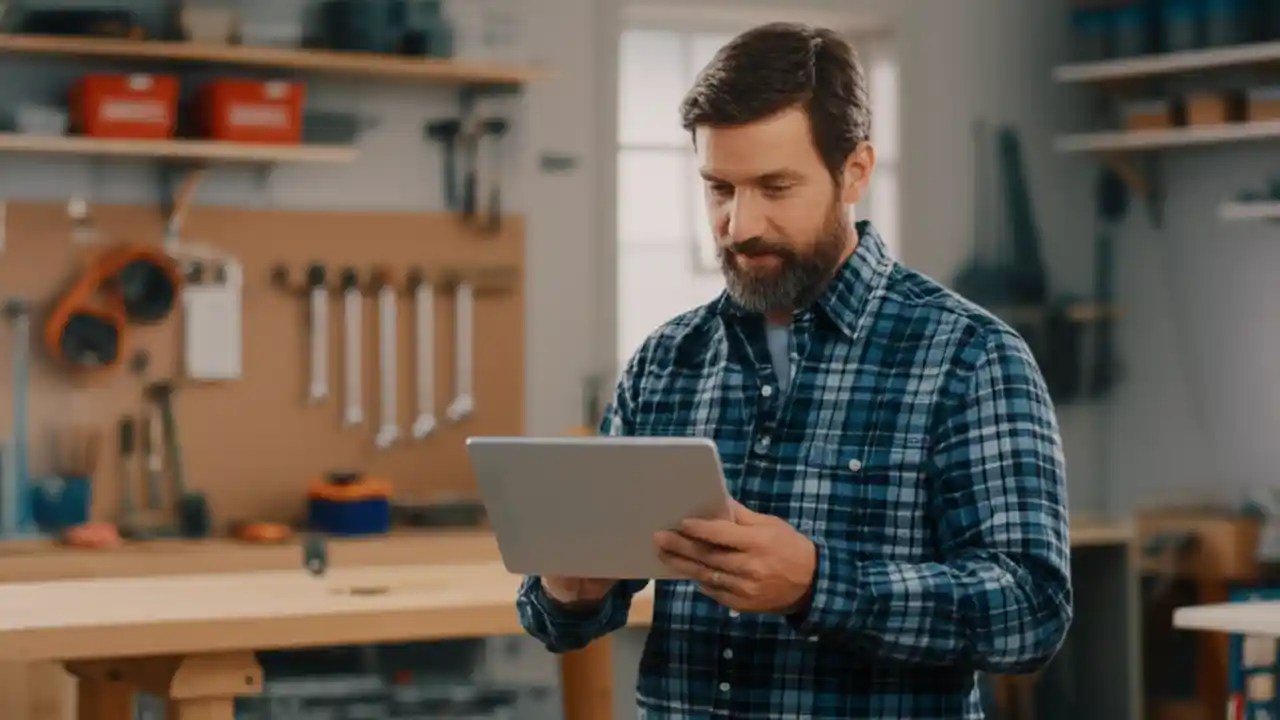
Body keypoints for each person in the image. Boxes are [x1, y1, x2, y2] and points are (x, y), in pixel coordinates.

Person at [515, 21, 1072, 719]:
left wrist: (818, 585)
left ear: (855, 172)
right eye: (719, 188)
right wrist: (572, 590)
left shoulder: (970, 357)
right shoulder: (665, 363)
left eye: (775, 187)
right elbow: (564, 619)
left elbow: (1032, 612)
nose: (740, 224)